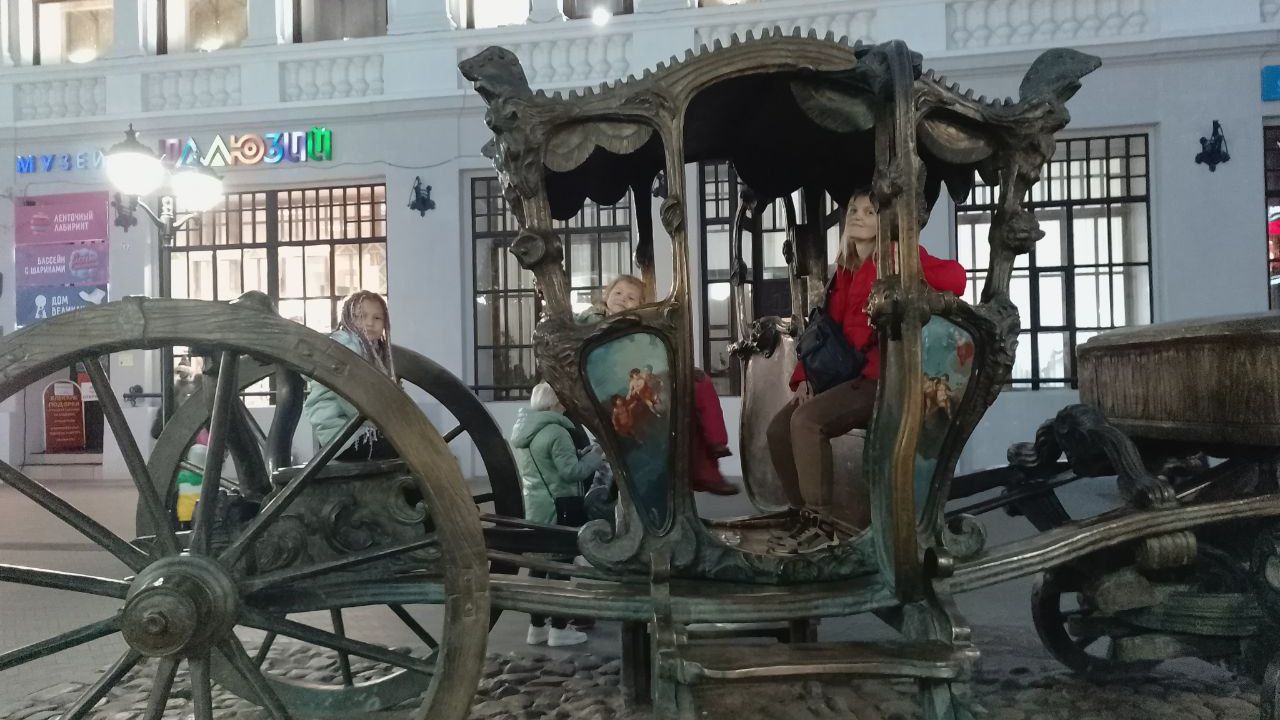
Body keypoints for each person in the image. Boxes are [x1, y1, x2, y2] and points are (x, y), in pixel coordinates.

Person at [765, 190, 965, 550]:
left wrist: (908, 263)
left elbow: (957, 278)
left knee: (806, 422)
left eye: (869, 212)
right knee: (778, 429)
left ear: (883, 222)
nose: (857, 216)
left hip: (880, 379)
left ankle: (821, 525)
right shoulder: (844, 271)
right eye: (854, 210)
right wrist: (804, 379)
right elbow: (822, 334)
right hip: (841, 376)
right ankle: (802, 514)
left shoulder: (895, 257)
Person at [579, 275, 740, 495]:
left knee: (698, 385)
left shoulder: (640, 328)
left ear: (640, 304)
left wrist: (680, 369)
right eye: (618, 293)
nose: (623, 299)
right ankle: (703, 471)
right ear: (606, 295)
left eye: (631, 297)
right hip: (611, 388)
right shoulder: (591, 323)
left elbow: (653, 354)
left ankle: (716, 445)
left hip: (648, 381)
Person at [510, 381, 605, 646]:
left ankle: (536, 627)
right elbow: (571, 472)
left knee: (538, 569)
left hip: (536, 506)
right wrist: (596, 455)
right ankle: (559, 629)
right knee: (560, 568)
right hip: (560, 506)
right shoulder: (556, 431)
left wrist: (580, 454)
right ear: (556, 402)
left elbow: (550, 465)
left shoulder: (524, 431)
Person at [302, 290, 399, 462]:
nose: (370, 323)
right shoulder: (345, 349)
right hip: (341, 436)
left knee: (407, 446)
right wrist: (381, 422)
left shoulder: (375, 352)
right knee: (406, 450)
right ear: (348, 318)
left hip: (359, 431)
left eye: (377, 318)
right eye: (361, 316)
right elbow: (349, 399)